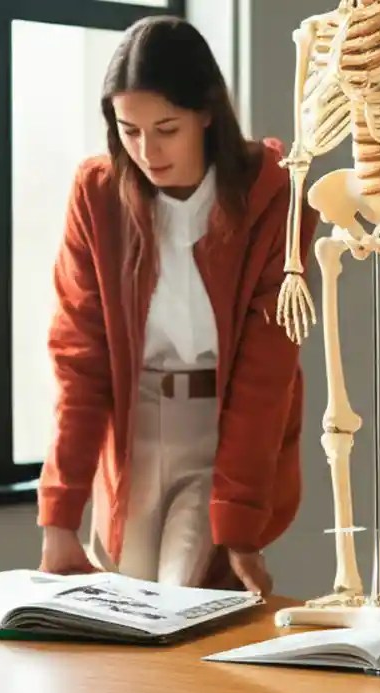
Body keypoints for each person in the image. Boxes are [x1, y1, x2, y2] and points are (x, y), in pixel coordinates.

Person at [36, 16, 317, 595]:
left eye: (166, 129)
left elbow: (266, 374)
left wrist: (239, 526)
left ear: (207, 112)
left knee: (180, 597)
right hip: (133, 432)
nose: (147, 151)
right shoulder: (97, 194)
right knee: (125, 601)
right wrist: (59, 517)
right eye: (129, 131)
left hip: (220, 430)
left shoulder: (275, 195)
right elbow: (79, 361)